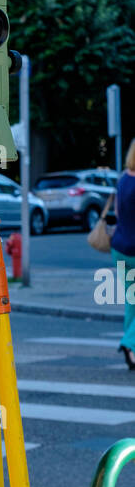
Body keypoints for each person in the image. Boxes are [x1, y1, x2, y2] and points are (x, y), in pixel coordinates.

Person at [111, 139, 135, 369]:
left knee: (131, 302)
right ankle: (129, 342)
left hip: (119, 249)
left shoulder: (123, 180)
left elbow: (118, 214)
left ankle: (132, 354)